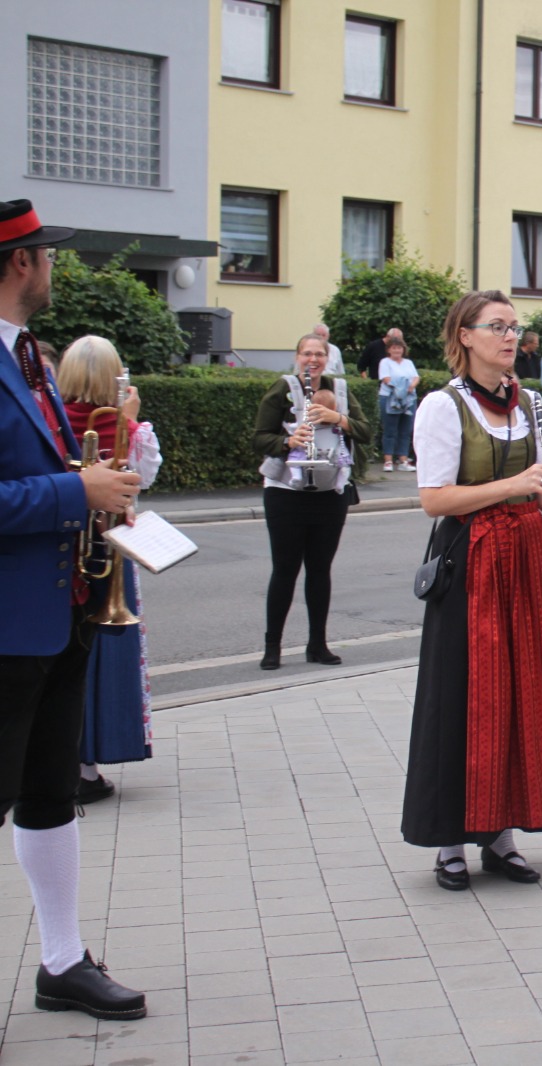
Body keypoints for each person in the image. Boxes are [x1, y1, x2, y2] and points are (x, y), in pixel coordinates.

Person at [0, 198, 146, 1020]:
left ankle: (61, 960)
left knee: (51, 791)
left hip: (59, 615)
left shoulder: (27, 359)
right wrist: (71, 489)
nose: (54, 268)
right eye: (47, 256)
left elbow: (62, 465)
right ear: (20, 263)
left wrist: (101, 496)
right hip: (7, 624)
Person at [400, 290, 542, 890]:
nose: (511, 336)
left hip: (527, 558)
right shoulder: (442, 406)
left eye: (515, 327)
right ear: (466, 336)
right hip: (473, 561)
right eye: (497, 326)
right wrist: (516, 484)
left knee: (519, 692)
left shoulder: (529, 402)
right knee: (465, 695)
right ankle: (451, 841)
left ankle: (501, 834)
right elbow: (435, 499)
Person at [57, 335, 164, 804]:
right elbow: (145, 478)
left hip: (59, 553)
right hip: (110, 553)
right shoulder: (130, 428)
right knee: (95, 660)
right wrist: (130, 417)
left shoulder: (51, 422)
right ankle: (86, 762)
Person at [252, 333, 370, 670]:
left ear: (327, 358)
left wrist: (337, 419)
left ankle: (317, 644)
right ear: (297, 357)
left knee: (320, 570)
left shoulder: (340, 390)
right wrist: (289, 441)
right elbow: (259, 438)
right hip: (286, 492)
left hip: (329, 491)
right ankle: (272, 646)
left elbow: (364, 431)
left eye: (319, 354)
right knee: (285, 569)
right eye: (307, 354)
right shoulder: (282, 388)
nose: (313, 360)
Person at [377, 336, 419, 472]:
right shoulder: (385, 362)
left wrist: (411, 386)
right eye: (394, 348)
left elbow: (416, 377)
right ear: (389, 350)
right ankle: (388, 460)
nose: (397, 350)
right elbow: (386, 379)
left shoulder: (408, 363)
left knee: (406, 430)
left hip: (408, 399)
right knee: (390, 429)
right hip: (390, 398)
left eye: (399, 348)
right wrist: (402, 385)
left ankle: (403, 459)